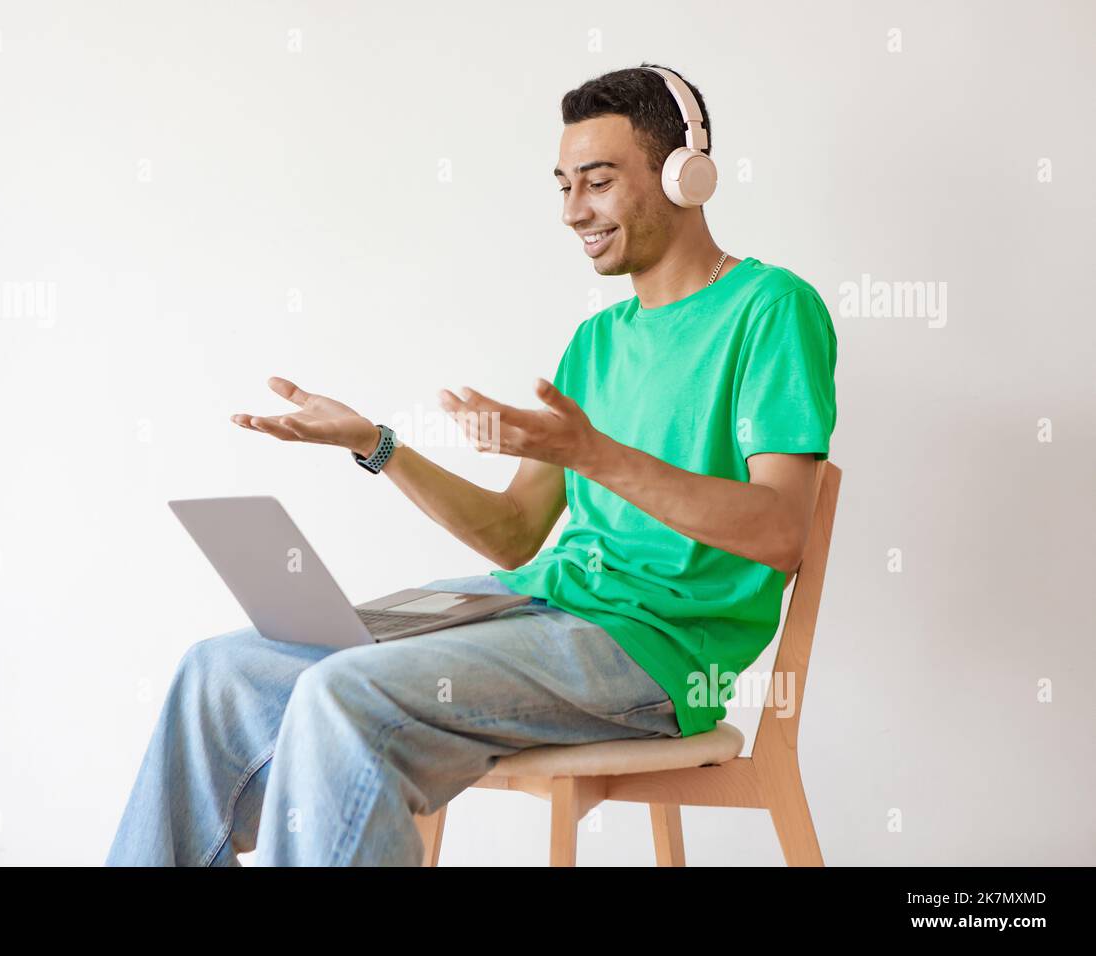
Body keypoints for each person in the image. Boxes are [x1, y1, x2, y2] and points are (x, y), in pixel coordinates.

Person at [106, 62, 838, 866]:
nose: (573, 212)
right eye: (562, 186)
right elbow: (515, 534)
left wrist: (591, 452)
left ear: (683, 174)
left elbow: (778, 533)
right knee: (221, 671)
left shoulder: (772, 308)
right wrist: (374, 444)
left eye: (596, 182)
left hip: (651, 649)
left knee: (343, 694)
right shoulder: (597, 341)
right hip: (532, 603)